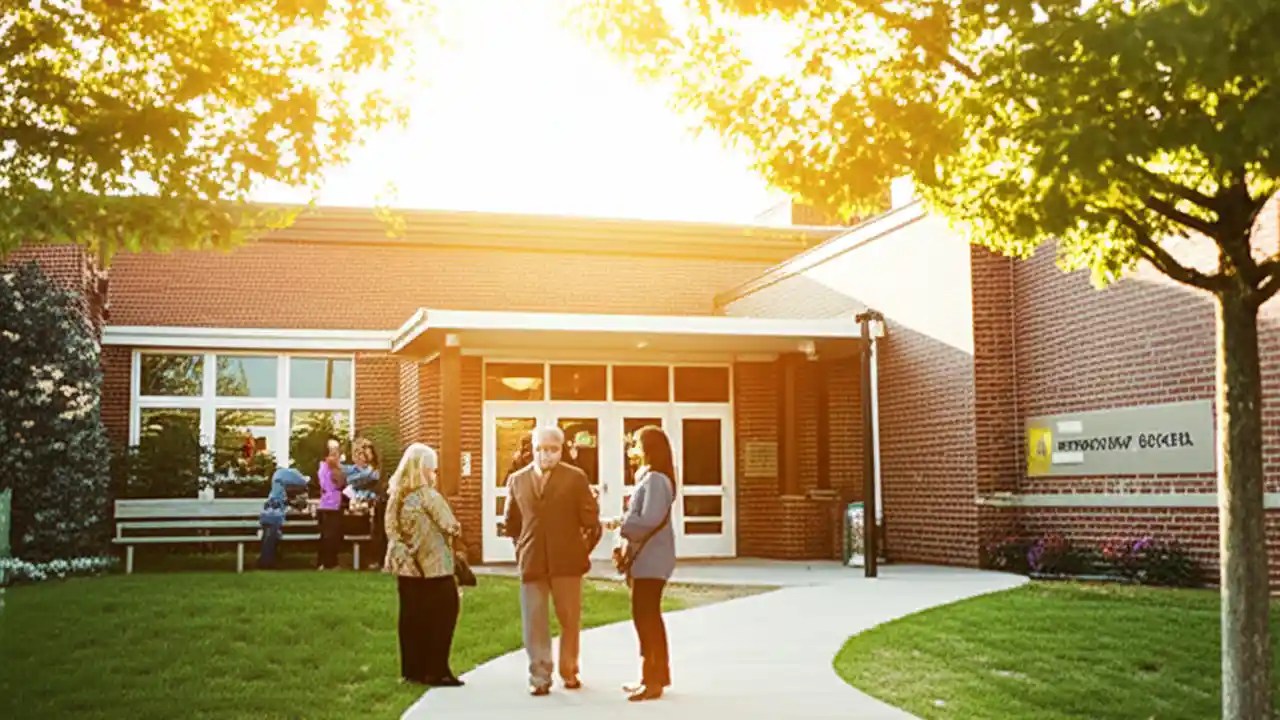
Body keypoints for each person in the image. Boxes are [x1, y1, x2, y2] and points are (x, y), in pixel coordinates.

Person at [501, 426, 602, 697]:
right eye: (540, 448)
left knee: (569, 618)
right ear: (531, 449)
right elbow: (511, 523)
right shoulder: (517, 480)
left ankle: (570, 670)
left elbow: (591, 521)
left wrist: (581, 549)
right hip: (532, 560)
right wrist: (521, 548)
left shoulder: (576, 478)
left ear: (561, 450)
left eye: (551, 449)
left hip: (567, 561)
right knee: (534, 620)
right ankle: (539, 677)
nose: (545, 454)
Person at [384, 442, 464, 687]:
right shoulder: (428, 496)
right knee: (442, 618)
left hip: (407, 567)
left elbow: (390, 529)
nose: (435, 474)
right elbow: (451, 525)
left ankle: (412, 671)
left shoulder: (396, 496)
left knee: (411, 619)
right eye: (434, 469)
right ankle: (437, 671)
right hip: (435, 567)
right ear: (424, 469)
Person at [606, 425, 677, 702]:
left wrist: (620, 524)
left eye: (635, 443)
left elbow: (648, 520)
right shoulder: (649, 478)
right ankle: (655, 675)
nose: (630, 448)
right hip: (646, 559)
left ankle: (652, 681)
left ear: (649, 449)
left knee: (645, 618)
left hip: (652, 560)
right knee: (649, 618)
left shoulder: (656, 480)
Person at [316, 438, 347, 570]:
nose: (337, 455)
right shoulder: (332, 466)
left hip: (325, 504)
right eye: (333, 452)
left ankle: (322, 562)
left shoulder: (322, 466)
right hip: (332, 504)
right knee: (332, 535)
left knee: (326, 535)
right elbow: (340, 482)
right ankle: (330, 563)